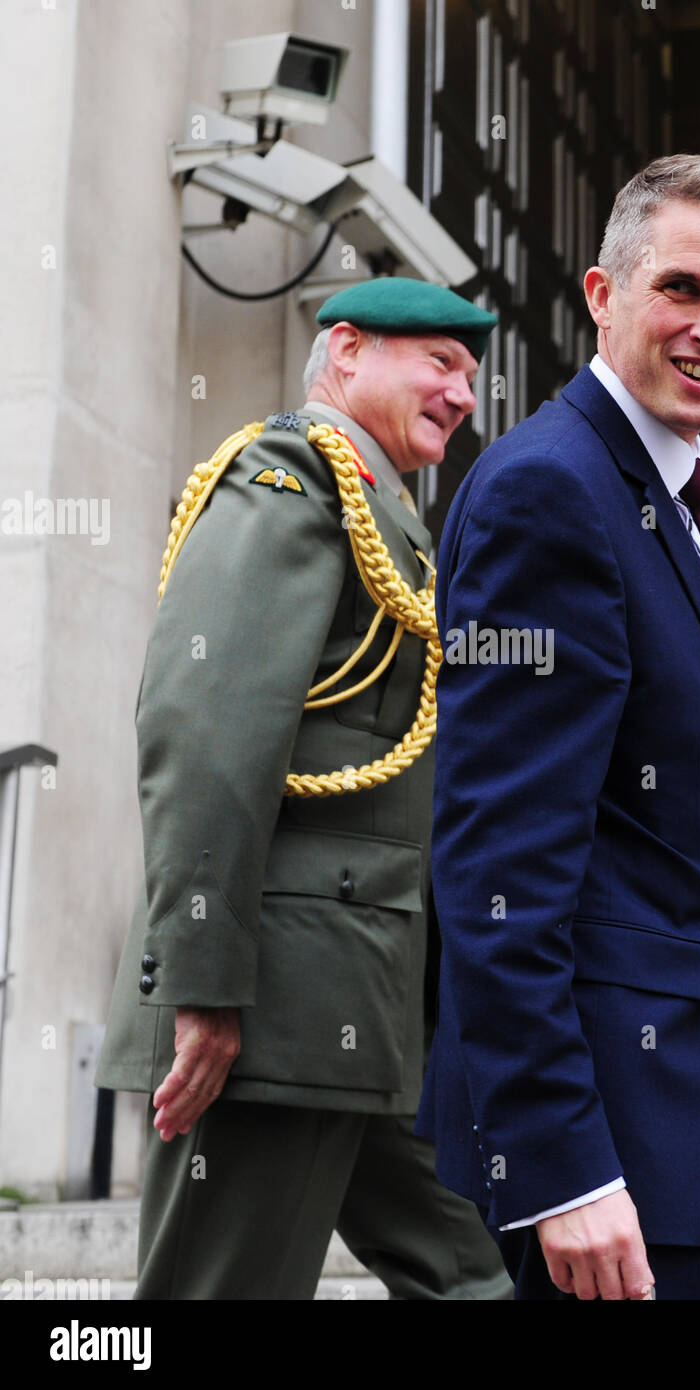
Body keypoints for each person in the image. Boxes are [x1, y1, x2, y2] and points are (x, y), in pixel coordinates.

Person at [96, 278, 512, 1301]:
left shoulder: (390, 516)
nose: (464, 394)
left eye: (471, 374)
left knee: (477, 1279)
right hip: (267, 1005)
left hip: (363, 1005)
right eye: (440, 363)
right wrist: (203, 985)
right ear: (348, 351)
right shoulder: (286, 480)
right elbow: (207, 727)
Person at [416, 154, 700, 1301]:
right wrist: (562, 1165)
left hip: (684, 1139)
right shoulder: (554, 491)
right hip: (613, 1156)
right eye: (681, 288)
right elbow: (495, 864)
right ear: (601, 294)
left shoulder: (661, 494)